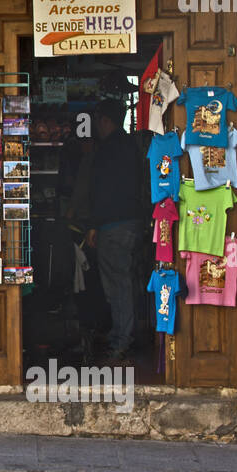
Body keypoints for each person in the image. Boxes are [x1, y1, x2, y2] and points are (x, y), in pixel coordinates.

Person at [85, 98, 147, 362]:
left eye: (98, 120)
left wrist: (93, 225)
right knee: (127, 281)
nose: (97, 126)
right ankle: (125, 333)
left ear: (105, 120)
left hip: (113, 225)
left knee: (118, 285)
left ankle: (122, 339)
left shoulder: (107, 151)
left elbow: (99, 192)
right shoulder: (132, 146)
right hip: (133, 223)